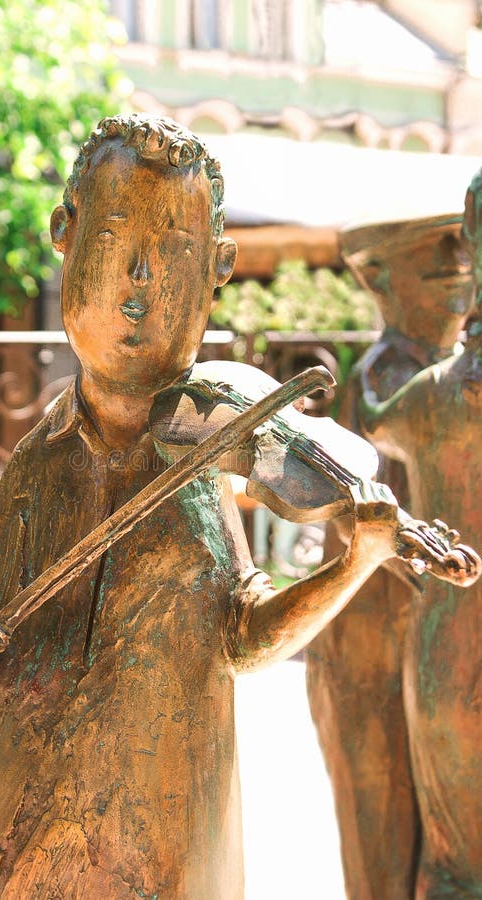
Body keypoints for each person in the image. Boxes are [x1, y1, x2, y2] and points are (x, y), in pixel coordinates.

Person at [0, 115, 408, 899]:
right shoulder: (40, 459)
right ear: (65, 236)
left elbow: (243, 638)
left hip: (163, 831)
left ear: (218, 268)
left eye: (175, 250)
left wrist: (359, 563)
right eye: (114, 239)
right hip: (14, 824)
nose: (138, 280)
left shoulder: (204, 456)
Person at [306, 213, 474, 900]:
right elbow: (355, 517)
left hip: (429, 640)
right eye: (433, 256)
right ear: (376, 277)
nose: (456, 260)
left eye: (462, 249)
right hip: (367, 649)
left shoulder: (447, 379)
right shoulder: (380, 385)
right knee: (380, 833)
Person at [359, 168, 482, 898]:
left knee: (456, 858)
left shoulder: (431, 396)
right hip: (449, 642)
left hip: (451, 644)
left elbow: (376, 418)